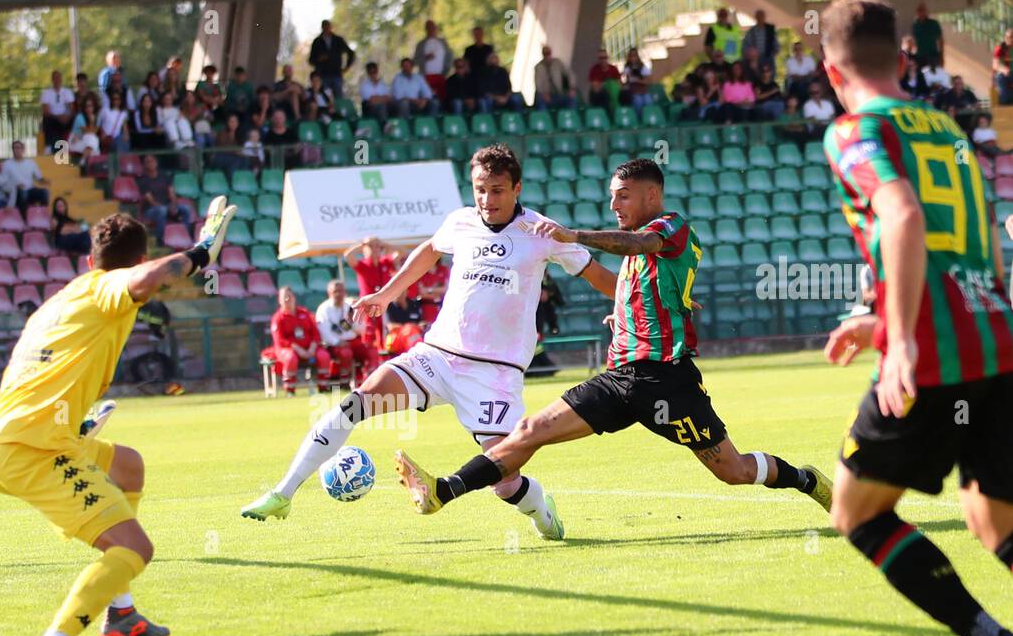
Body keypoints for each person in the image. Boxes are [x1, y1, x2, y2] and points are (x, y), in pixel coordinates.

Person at [390, 156, 830, 546]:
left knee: (731, 470)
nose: (615, 206)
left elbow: (643, 245)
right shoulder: (638, 251)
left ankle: (806, 479)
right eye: (611, 198)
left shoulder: (669, 228)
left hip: (667, 381)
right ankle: (442, 491)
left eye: (623, 197)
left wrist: (573, 234)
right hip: (620, 379)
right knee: (527, 432)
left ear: (652, 194)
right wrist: (623, 317)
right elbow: (648, 289)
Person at [815, 0, 1013, 636]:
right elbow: (983, 236)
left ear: (833, 72)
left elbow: (899, 214)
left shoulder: (855, 130)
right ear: (903, 59)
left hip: (936, 356)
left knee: (857, 513)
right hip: (997, 332)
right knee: (992, 517)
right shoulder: (951, 127)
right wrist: (886, 315)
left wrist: (901, 339)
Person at [241, 144, 586, 539]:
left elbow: (594, 272)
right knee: (354, 403)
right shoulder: (460, 222)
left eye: (497, 189)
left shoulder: (541, 232)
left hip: (494, 374)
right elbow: (429, 250)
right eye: (479, 189)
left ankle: (542, 512)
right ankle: (283, 493)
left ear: (516, 188)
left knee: (504, 480)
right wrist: (387, 293)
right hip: (436, 357)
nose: (486, 199)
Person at [0, 198, 236, 636]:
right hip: (33, 447)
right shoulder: (108, 288)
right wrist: (201, 254)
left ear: (87, 259)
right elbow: (144, 281)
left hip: (15, 433)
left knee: (127, 465)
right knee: (136, 548)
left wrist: (71, 423)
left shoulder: (62, 299)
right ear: (139, 260)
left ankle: (121, 613)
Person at [264, 286, 332, 395]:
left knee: (324, 356)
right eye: (284, 297)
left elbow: (315, 333)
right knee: (291, 358)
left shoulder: (304, 313)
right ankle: (290, 390)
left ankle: (324, 388)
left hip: (309, 348)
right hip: (289, 350)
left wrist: (312, 348)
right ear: (279, 300)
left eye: (289, 296)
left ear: (294, 298)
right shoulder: (278, 318)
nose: (287, 299)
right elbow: (280, 340)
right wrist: (298, 349)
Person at [316, 279, 375, 388]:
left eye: (341, 291)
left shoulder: (351, 305)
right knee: (345, 353)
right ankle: (344, 382)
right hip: (334, 344)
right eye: (335, 291)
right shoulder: (324, 309)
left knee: (370, 352)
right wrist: (337, 342)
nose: (339, 294)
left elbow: (362, 329)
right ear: (329, 293)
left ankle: (370, 382)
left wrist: (351, 322)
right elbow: (324, 331)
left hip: (353, 340)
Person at [139, 154, 195, 243]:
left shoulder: (164, 176)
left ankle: (185, 234)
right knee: (162, 210)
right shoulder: (143, 180)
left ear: (156, 163)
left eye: (152, 161)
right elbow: (151, 201)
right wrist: (167, 208)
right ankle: (160, 239)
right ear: (144, 165)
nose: (150, 164)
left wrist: (174, 205)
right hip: (150, 210)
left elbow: (172, 193)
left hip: (167, 206)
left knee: (186, 209)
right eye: (147, 162)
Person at [308, 20, 355, 101]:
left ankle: (339, 113)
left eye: (328, 26)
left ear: (331, 27)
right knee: (324, 97)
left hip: (336, 73)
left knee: (338, 97)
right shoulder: (317, 42)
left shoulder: (338, 40)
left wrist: (347, 67)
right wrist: (319, 59)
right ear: (322, 28)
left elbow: (350, 53)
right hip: (323, 75)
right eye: (325, 27)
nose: (326, 28)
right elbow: (311, 60)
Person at [1, 140, 49, 210]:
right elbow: (4, 182)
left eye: (19, 148)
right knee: (23, 193)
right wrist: (14, 186)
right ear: (12, 150)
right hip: (16, 191)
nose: (17, 150)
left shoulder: (31, 163)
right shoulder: (6, 164)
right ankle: (23, 216)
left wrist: (45, 181)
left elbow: (39, 178)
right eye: (15, 148)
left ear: (23, 149)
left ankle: (42, 213)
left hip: (30, 189)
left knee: (45, 192)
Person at [415, 20, 452, 100]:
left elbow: (449, 57)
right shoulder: (421, 44)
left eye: (433, 27)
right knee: (427, 97)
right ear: (425, 29)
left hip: (441, 75)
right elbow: (415, 60)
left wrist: (446, 71)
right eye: (428, 28)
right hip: (425, 76)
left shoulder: (443, 42)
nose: (431, 29)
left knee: (442, 97)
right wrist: (425, 58)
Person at [40, 70, 76, 152]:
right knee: (46, 119)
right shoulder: (46, 93)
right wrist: (58, 117)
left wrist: (67, 117)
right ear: (52, 79)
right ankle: (48, 146)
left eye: (59, 77)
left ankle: (73, 144)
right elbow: (46, 111)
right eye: (55, 78)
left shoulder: (67, 92)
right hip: (53, 118)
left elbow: (72, 108)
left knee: (75, 118)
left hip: (66, 118)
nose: (57, 80)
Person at [535, 45, 576, 110]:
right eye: (545, 54)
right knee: (540, 100)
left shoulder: (558, 62)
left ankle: (569, 117)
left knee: (571, 98)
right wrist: (544, 94)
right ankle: (543, 119)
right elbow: (538, 83)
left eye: (548, 53)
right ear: (543, 54)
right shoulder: (538, 67)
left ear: (551, 53)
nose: (547, 55)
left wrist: (572, 87)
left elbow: (570, 74)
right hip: (546, 94)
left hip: (559, 93)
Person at [743, 9, 778, 74]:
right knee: (756, 77)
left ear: (764, 17)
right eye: (758, 16)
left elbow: (777, 46)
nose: (760, 18)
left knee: (769, 78)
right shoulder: (751, 31)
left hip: (768, 58)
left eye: (762, 16)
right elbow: (745, 46)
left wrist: (772, 55)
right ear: (756, 18)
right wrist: (750, 57)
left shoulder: (770, 30)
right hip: (755, 59)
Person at [68, 95, 102, 163]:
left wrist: (93, 120)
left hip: (87, 141)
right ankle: (85, 164)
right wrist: (92, 122)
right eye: (86, 106)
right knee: (93, 142)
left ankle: (82, 163)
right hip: (75, 141)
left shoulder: (98, 118)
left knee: (93, 141)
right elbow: (87, 132)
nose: (88, 108)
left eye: (90, 106)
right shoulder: (79, 117)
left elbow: (94, 132)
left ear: (94, 106)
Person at [463, 27, 494, 97]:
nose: (478, 36)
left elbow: (492, 61)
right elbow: (466, 63)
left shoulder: (488, 48)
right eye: (476, 34)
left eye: (479, 34)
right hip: (473, 77)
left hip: (487, 77)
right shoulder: (469, 50)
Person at [912, 2, 943, 69]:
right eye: (919, 10)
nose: (921, 12)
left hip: (933, 56)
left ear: (926, 12)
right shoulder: (915, 25)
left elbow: (940, 40)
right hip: (920, 57)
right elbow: (913, 42)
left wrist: (941, 56)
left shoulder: (933, 24)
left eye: (923, 10)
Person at [994, 28, 1013, 106]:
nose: (1011, 39)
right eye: (1009, 37)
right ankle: (1004, 103)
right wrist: (1004, 70)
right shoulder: (1000, 49)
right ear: (1005, 38)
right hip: (1004, 74)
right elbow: (995, 65)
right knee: (1000, 77)